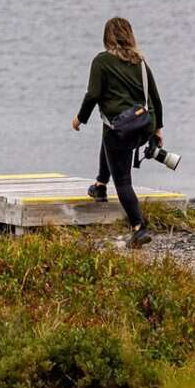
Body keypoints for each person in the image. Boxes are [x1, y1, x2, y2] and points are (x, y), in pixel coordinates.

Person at [71, 17, 164, 247]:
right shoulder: (140, 63)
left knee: (122, 180)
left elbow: (93, 95)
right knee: (108, 132)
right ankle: (100, 185)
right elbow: (155, 98)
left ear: (107, 38)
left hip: (122, 130)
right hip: (144, 125)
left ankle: (138, 227)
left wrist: (80, 118)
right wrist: (158, 130)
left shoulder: (101, 61)